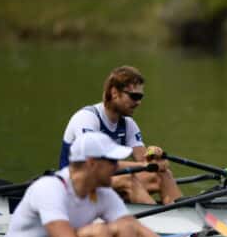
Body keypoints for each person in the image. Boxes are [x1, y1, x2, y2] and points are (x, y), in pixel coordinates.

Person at [0, 132, 188, 237]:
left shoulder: (101, 193)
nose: (117, 167)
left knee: (125, 228)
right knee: (98, 232)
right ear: (91, 164)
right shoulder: (50, 188)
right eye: (112, 162)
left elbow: (139, 231)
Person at [59, 65, 181, 205]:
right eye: (134, 96)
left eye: (141, 97)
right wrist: (146, 164)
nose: (139, 102)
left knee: (162, 175)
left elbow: (144, 161)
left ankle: (181, 216)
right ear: (115, 92)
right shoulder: (87, 118)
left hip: (105, 182)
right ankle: (161, 222)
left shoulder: (128, 124)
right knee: (127, 179)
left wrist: (157, 159)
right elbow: (97, 164)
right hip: (76, 185)